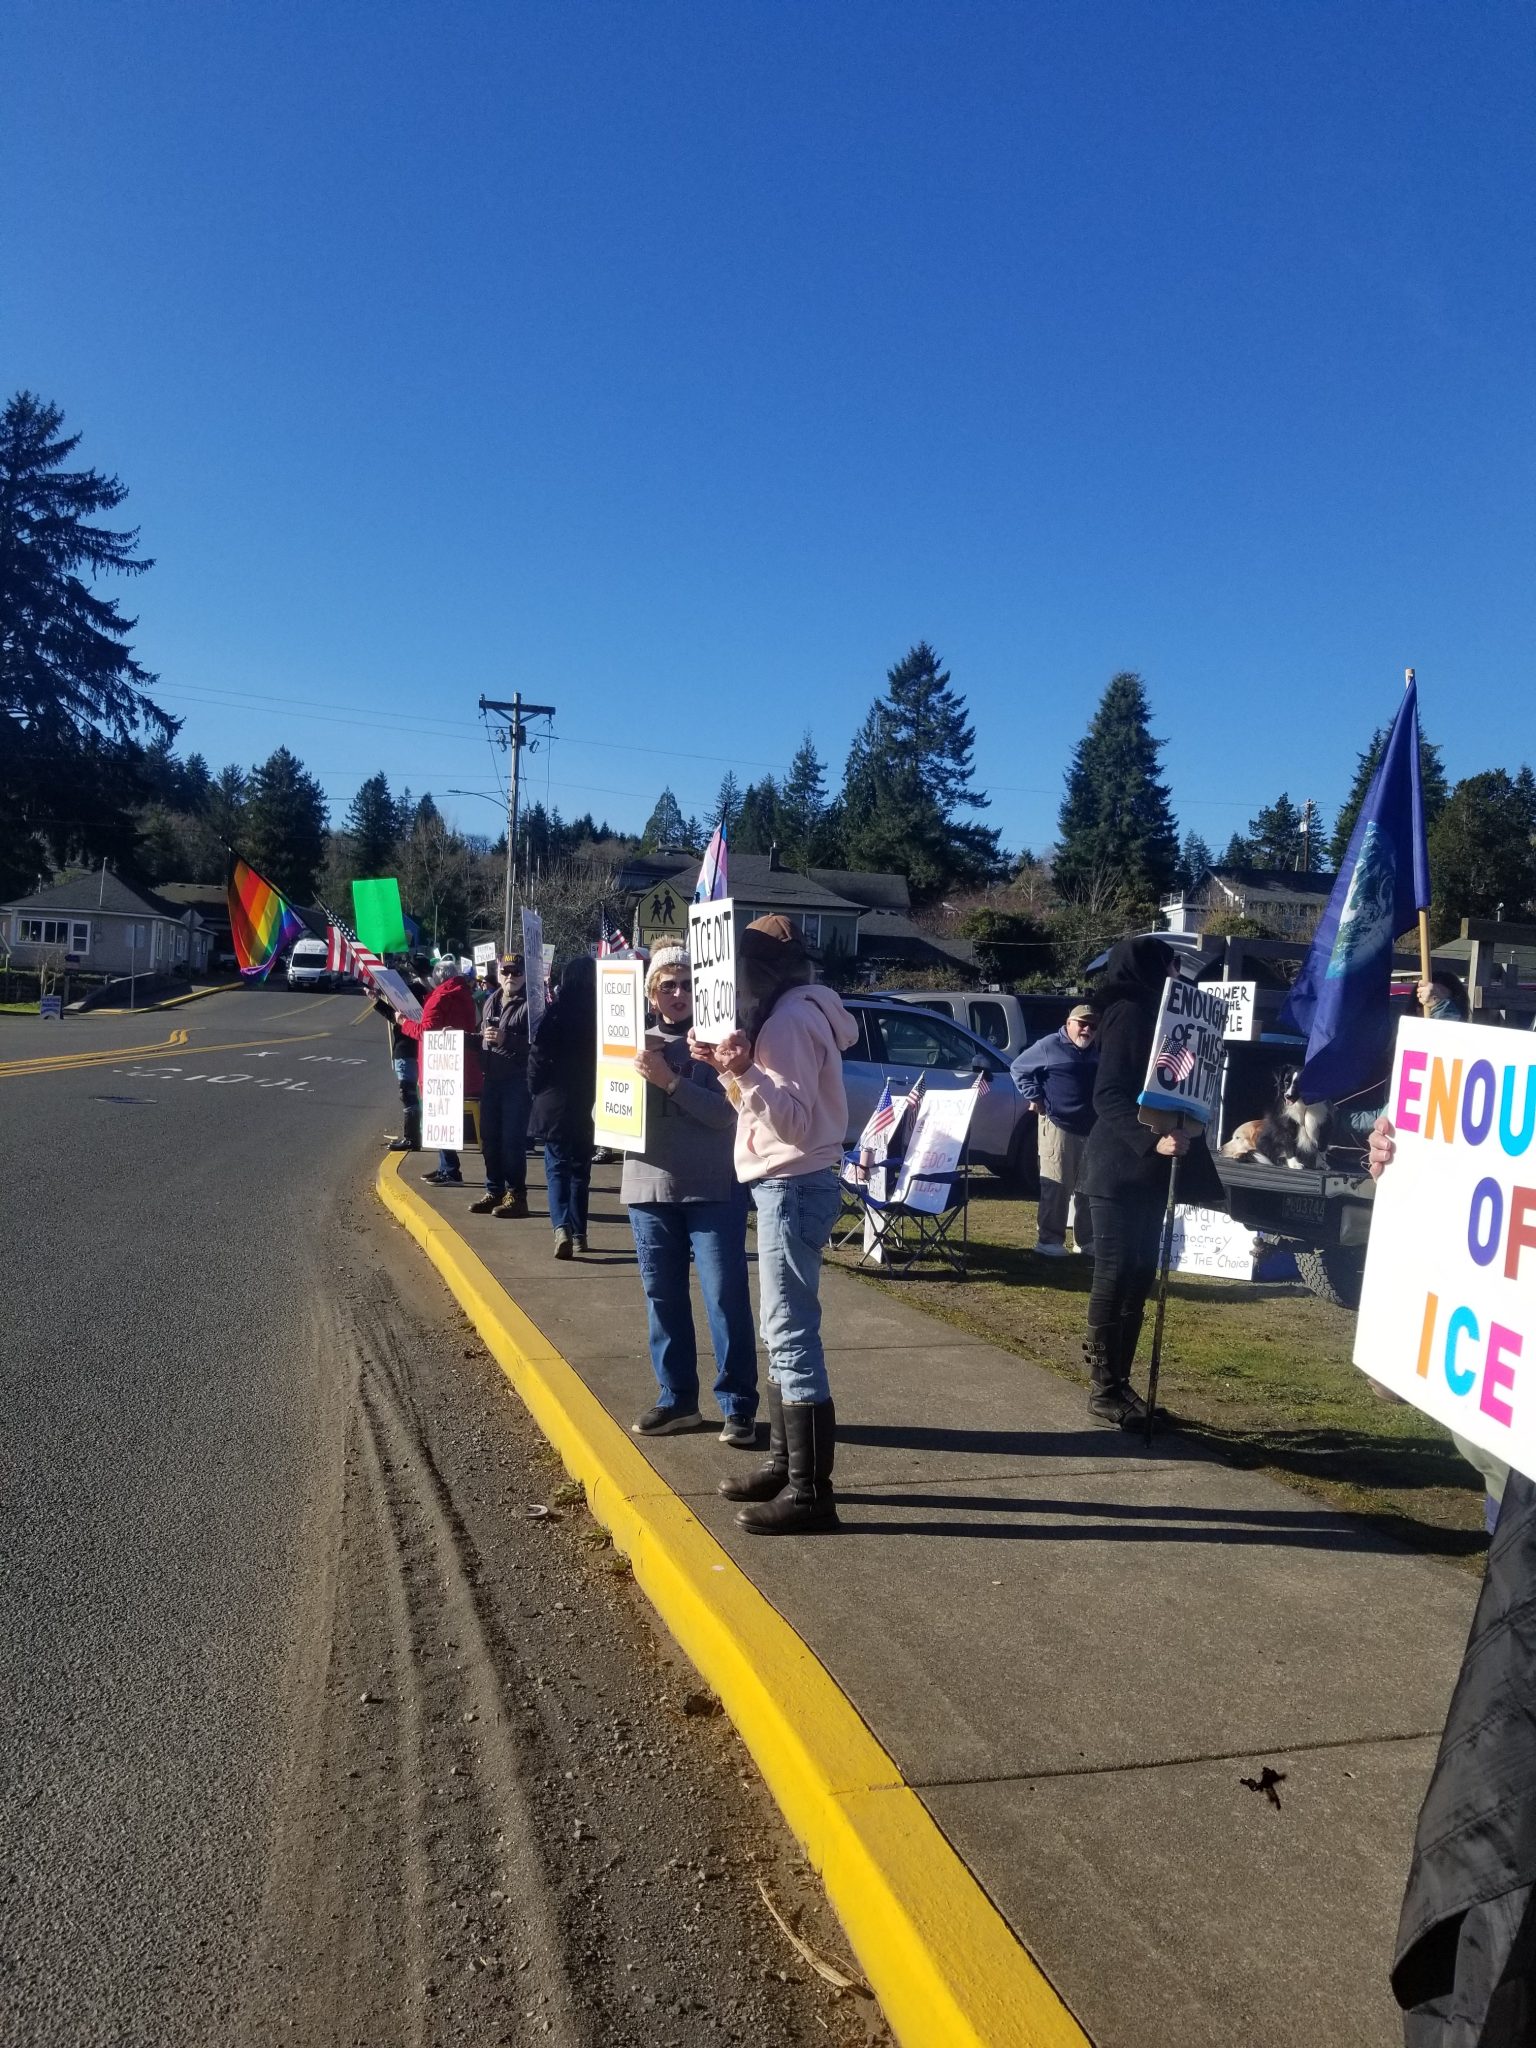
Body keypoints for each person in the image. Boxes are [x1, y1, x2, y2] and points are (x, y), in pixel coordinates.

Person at [690, 914, 858, 1535]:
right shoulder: (798, 1012)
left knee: (789, 1333)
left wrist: (744, 1070)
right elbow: (768, 1114)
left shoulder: (787, 1021)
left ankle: (811, 1492)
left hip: (790, 1182)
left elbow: (787, 1121)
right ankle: (787, 1467)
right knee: (779, 1328)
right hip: (792, 1182)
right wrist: (730, 1069)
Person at [1077, 937, 1222, 1428]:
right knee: (1115, 1275)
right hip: (1118, 1169)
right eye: (1172, 964)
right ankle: (1104, 1388)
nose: (1179, 971)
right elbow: (1109, 1095)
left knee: (1139, 1277)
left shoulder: (1165, 1018)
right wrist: (1151, 1138)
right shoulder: (1129, 1013)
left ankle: (1121, 1385)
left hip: (1151, 1171)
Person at [624, 945, 759, 1448]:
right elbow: (608, 1113)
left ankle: (738, 1405)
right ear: (651, 992)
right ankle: (677, 1398)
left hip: (713, 1187)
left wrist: (670, 1081)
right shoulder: (627, 1040)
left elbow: (728, 1113)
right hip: (647, 1184)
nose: (678, 994)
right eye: (667, 985)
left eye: (687, 984)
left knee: (724, 1296)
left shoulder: (719, 1042)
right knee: (663, 1297)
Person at [1010, 1003, 1099, 1258]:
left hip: (1092, 1127)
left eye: (1092, 1025)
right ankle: (1049, 1241)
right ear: (1068, 1022)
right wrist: (1035, 1096)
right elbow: (1018, 1068)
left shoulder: (1098, 1049)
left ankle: (1086, 1240)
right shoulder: (1049, 1045)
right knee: (1057, 1184)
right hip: (1057, 1123)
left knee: (1089, 1187)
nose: (1087, 1029)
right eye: (1082, 1023)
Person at [528, 953, 597, 1259]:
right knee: (581, 1170)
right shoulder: (604, 1015)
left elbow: (538, 1057)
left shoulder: (555, 1014)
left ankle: (561, 1229)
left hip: (555, 1102)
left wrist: (535, 1088)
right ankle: (580, 1233)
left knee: (557, 1167)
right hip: (591, 1101)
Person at [399, 959, 482, 1186]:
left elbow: (426, 1031)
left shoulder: (441, 997)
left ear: (439, 978)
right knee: (444, 1118)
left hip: (439, 1065)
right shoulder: (463, 994)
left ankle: (451, 1169)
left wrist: (403, 1023)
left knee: (440, 1117)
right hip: (458, 1064)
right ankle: (446, 1166)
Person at [470, 955, 532, 1218]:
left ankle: (516, 1196)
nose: (511, 976)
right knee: (490, 1139)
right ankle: (493, 1190)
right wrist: (461, 1038)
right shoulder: (491, 1001)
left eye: (517, 971)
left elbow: (537, 1046)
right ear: (498, 973)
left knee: (512, 1142)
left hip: (517, 1082)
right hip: (491, 1079)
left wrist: (508, 1039)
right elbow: (484, 1038)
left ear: (525, 975)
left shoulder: (531, 1006)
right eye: (506, 970)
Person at [376, 957, 431, 1151]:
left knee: (408, 1095)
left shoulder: (411, 993)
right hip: (420, 1050)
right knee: (416, 1094)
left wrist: (377, 1002)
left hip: (406, 1050)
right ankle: (417, 1134)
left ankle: (411, 1138)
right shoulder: (429, 992)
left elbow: (399, 1019)